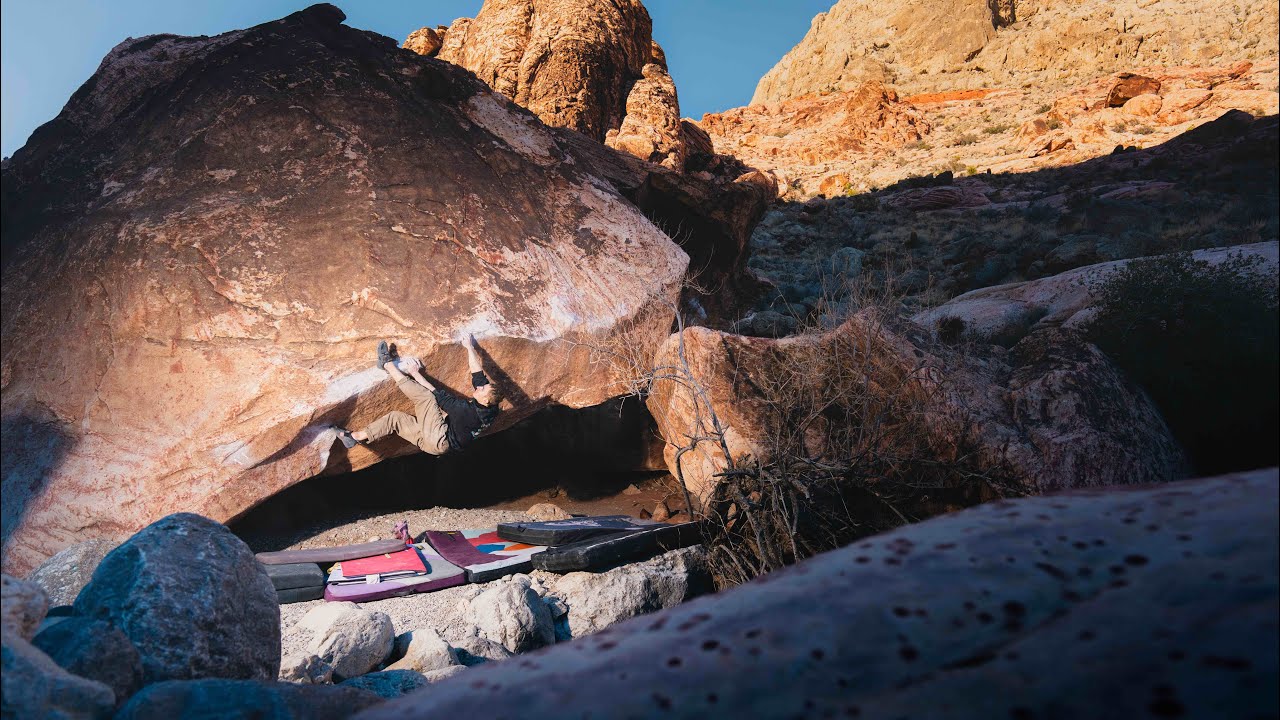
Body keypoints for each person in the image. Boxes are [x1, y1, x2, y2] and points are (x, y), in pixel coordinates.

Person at [334, 335, 502, 455]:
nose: (479, 388)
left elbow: (436, 394)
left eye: (482, 390)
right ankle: (355, 437)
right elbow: (478, 374)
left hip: (438, 437)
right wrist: (470, 347)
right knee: (396, 418)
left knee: (426, 398)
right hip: (434, 446)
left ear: (485, 400)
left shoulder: (467, 412)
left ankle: (386, 364)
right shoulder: (491, 406)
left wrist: (415, 373)